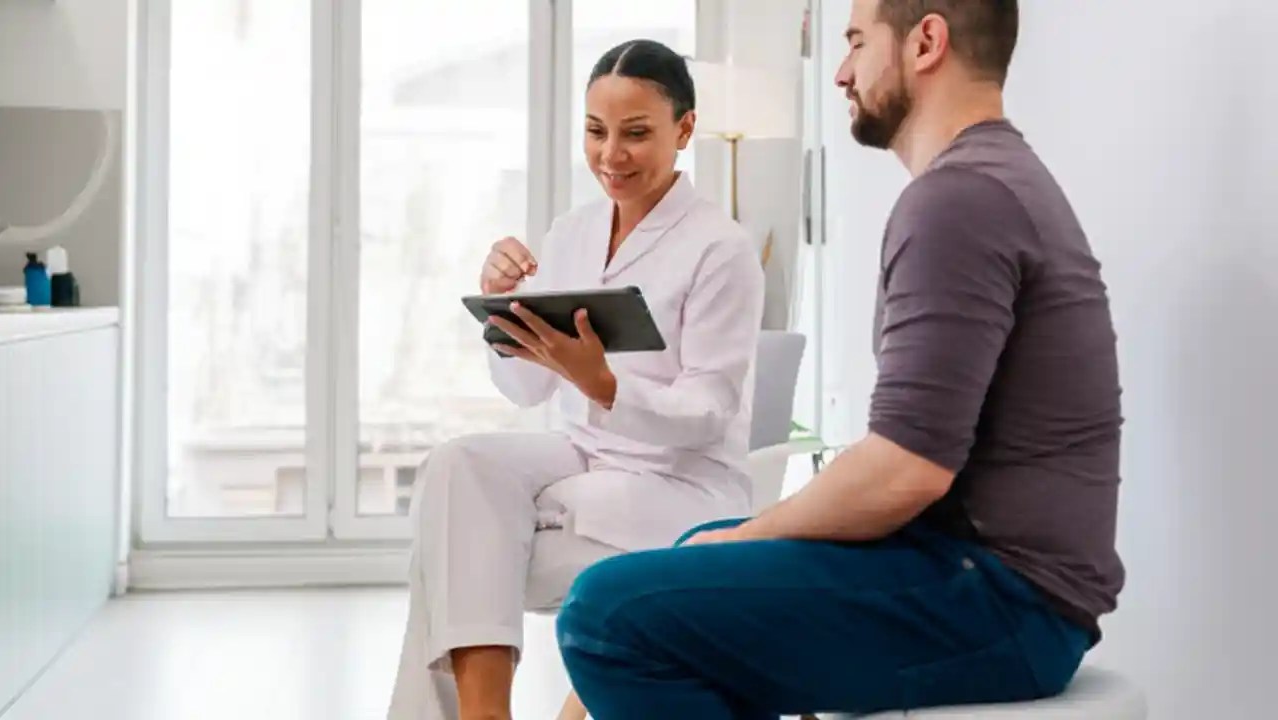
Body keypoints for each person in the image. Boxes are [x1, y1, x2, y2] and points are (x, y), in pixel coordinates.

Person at [556, 1, 1126, 718]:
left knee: (604, 616)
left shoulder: (959, 200)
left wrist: (750, 532)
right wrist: (730, 542)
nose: (841, 72)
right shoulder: (989, 181)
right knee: (694, 549)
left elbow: (905, 470)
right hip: (990, 577)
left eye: (856, 42)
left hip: (1001, 598)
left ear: (926, 42)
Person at [387, 39, 765, 720]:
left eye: (636, 133)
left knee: (450, 558)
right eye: (596, 131)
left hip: (680, 484)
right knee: (456, 465)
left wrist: (605, 387)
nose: (610, 155)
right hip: (585, 457)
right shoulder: (573, 231)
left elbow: (709, 411)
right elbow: (527, 390)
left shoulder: (721, 248)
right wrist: (503, 309)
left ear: (684, 129)